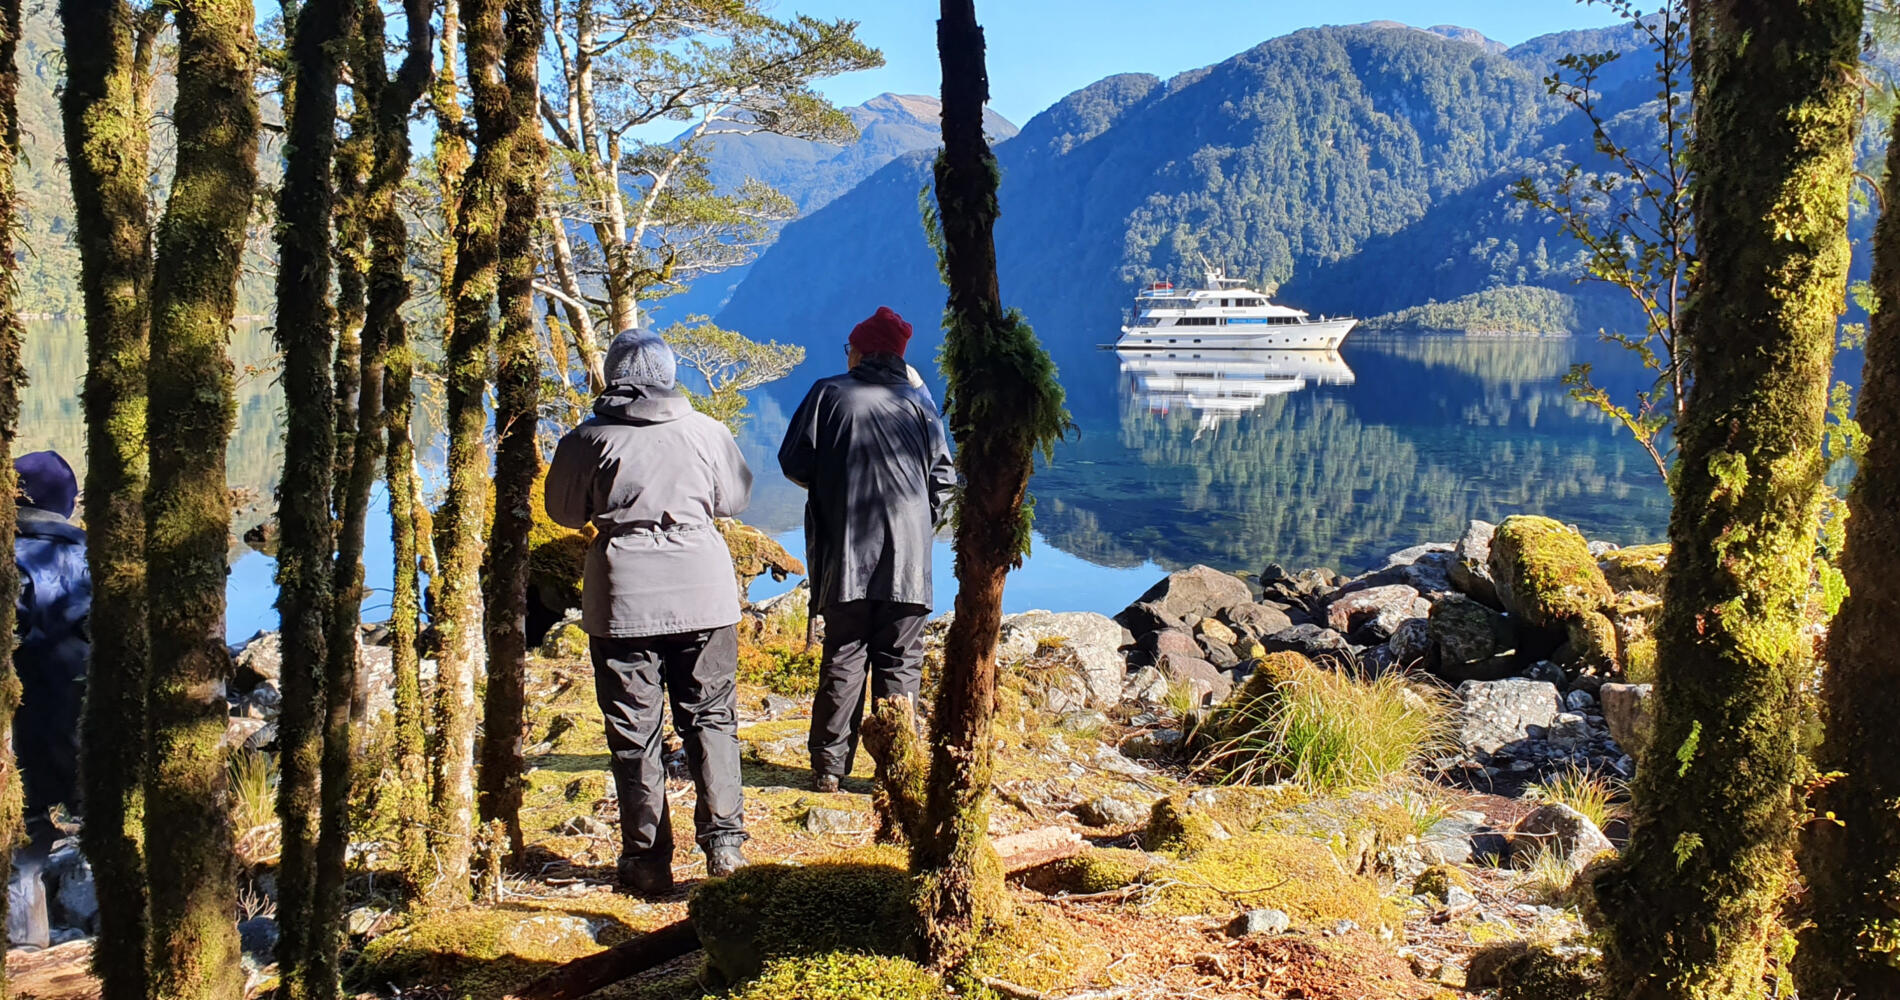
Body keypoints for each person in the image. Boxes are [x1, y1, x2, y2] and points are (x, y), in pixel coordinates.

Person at [545, 329, 754, 895]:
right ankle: (726, 847)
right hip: (704, 594)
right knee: (712, 717)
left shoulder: (587, 439)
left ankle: (647, 862)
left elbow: (561, 511)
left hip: (623, 599)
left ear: (613, 376)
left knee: (633, 732)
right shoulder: (708, 431)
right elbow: (734, 500)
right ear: (669, 376)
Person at [778, 306, 955, 793]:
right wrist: (919, 526)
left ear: (859, 351)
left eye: (849, 346)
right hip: (909, 563)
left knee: (844, 654)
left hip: (847, 556)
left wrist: (834, 483)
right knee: (901, 662)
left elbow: (794, 462)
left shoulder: (828, 394)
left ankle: (829, 770)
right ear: (898, 355)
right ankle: (895, 772)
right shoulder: (922, 407)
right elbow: (944, 482)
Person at [7, 451, 90, 948]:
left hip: (17, 731)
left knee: (20, 845)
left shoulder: (7, 561)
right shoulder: (97, 560)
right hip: (82, 726)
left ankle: (24, 952)